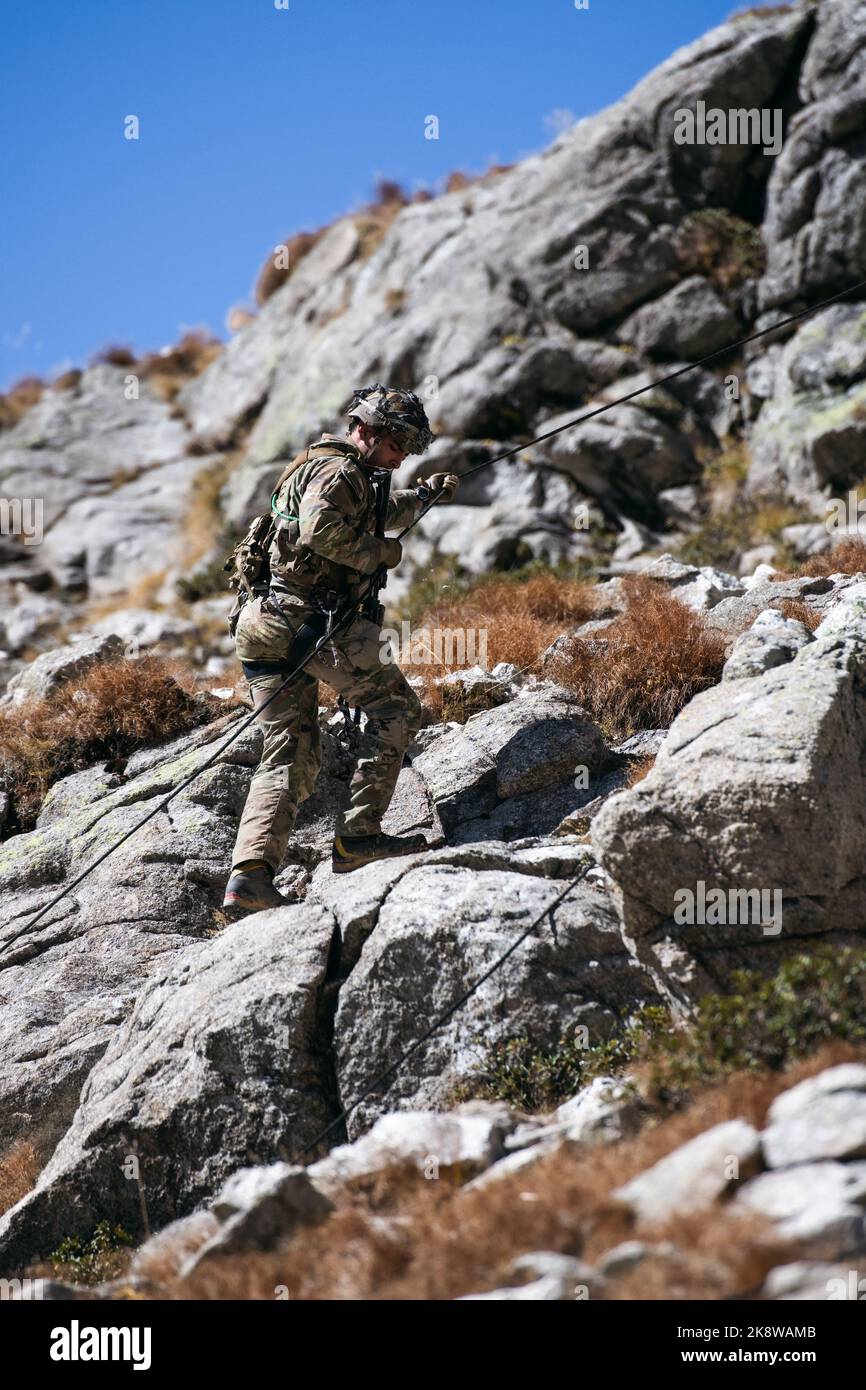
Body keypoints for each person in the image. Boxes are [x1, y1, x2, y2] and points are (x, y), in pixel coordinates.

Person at [222, 383, 459, 918]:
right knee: (397, 708)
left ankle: (250, 877)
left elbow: (366, 513)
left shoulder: (325, 466)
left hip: (262, 626)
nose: (402, 456)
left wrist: (422, 498)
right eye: (399, 443)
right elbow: (324, 530)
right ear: (370, 431)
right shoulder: (341, 471)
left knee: (288, 751)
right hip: (310, 623)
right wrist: (384, 554)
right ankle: (359, 838)